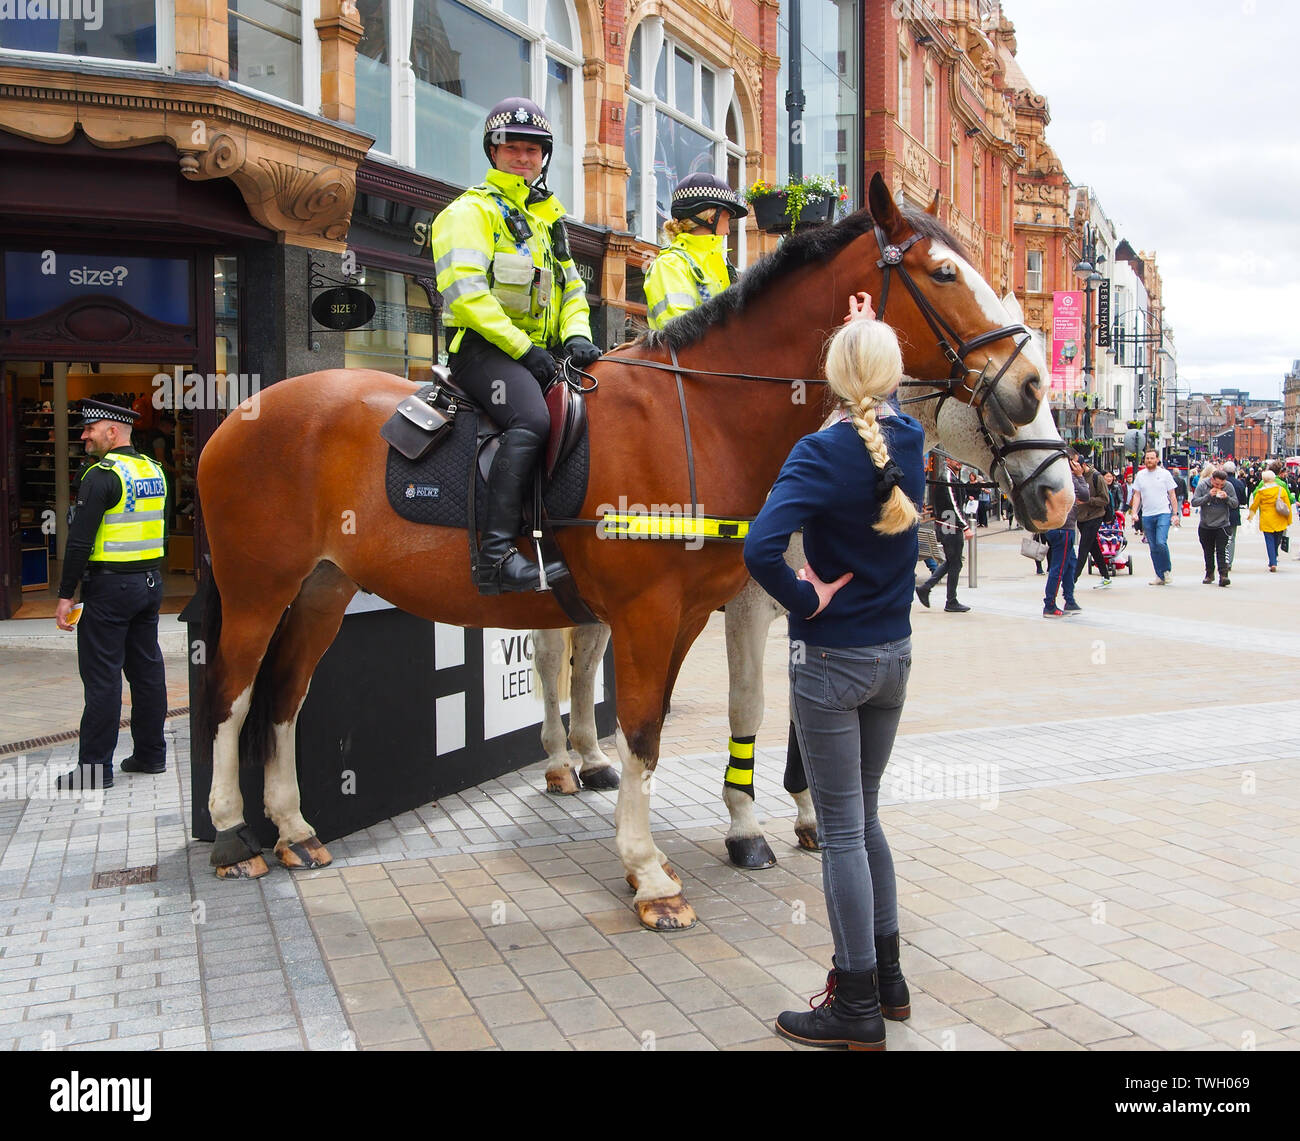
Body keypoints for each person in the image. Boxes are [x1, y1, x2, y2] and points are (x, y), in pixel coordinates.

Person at [744, 294, 923, 1051]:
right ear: (893, 376)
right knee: (868, 818)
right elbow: (873, 439)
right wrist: (862, 329)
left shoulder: (818, 451)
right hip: (894, 657)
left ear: (831, 376)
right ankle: (888, 981)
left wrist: (802, 595)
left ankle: (853, 1004)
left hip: (831, 660)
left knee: (843, 831)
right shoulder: (910, 439)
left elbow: (758, 547)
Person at [430, 96, 599, 594]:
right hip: (482, 349)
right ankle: (497, 555)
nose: (524, 158)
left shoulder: (550, 222)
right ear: (493, 152)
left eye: (534, 150)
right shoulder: (469, 212)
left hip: (543, 355)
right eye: (512, 149)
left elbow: (572, 291)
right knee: (532, 419)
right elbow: (465, 294)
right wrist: (523, 350)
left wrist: (578, 335)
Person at [53, 399, 169, 791]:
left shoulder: (101, 474)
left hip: (109, 589)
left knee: (102, 679)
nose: (84, 436)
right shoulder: (154, 471)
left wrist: (65, 595)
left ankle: (94, 770)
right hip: (149, 584)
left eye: (90, 429)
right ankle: (151, 755)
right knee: (147, 672)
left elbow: (79, 542)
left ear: (113, 432)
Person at [644, 173, 746, 329]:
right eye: (727, 219)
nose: (728, 231)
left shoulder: (720, 266)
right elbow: (681, 334)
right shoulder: (670, 265)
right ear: (711, 217)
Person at [915, 457, 971, 612]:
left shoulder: (952, 477)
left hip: (949, 523)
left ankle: (928, 589)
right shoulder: (947, 477)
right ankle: (948, 599)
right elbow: (952, 504)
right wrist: (965, 526)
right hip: (949, 524)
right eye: (955, 459)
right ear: (947, 460)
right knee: (955, 562)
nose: (959, 462)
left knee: (953, 562)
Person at [1043, 455, 1090, 617]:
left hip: (1058, 527)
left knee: (1070, 564)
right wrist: (1079, 476)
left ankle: (1069, 600)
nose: (1078, 465)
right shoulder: (1068, 478)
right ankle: (1049, 605)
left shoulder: (1052, 476)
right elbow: (1085, 495)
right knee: (1059, 567)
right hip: (1063, 528)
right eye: (1075, 462)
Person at [1129, 448, 1180, 584]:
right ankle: (1159, 575)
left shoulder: (1165, 474)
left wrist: (1175, 514)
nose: (1149, 460)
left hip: (1163, 512)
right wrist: (1134, 512)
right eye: (1147, 458)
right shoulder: (1140, 475)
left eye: (1152, 458)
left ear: (1157, 459)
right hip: (1147, 515)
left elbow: (1172, 495)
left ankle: (1166, 571)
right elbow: (1137, 495)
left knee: (1161, 543)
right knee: (1153, 546)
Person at [1072, 450, 1112, 589]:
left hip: (1095, 516)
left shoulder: (1096, 477)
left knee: (1083, 547)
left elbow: (1105, 499)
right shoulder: (1076, 477)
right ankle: (1106, 576)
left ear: (1083, 465)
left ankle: (1073, 579)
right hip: (1081, 517)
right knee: (1093, 547)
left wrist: (1087, 501)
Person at [1191, 469, 1237, 586]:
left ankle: (1223, 575)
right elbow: (1194, 502)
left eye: (1222, 485)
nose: (1219, 487)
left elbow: (1235, 503)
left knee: (1221, 550)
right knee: (1208, 550)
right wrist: (1208, 496)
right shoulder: (1202, 485)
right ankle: (1209, 573)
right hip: (1206, 524)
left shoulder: (1229, 486)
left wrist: (1226, 498)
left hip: (1222, 524)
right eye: (1217, 484)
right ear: (1212, 480)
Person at [1247, 469, 1292, 572]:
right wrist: (1289, 520)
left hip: (1266, 520)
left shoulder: (1261, 492)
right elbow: (1288, 506)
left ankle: (1273, 562)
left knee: (1269, 541)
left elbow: (1255, 505)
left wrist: (1250, 516)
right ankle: (1274, 557)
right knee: (1277, 540)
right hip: (1280, 519)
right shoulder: (1281, 490)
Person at [1222, 460, 1247, 569]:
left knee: (1220, 539)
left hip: (1221, 514)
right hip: (1234, 515)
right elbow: (1244, 501)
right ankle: (1229, 562)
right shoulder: (1239, 483)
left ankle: (1222, 559)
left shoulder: (1221, 483)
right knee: (1231, 539)